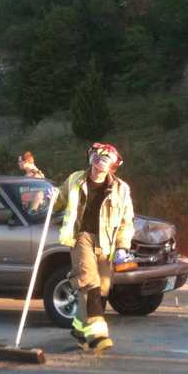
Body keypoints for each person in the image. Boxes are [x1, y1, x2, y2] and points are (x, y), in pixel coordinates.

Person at [54, 142, 135, 352]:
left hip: (106, 243)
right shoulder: (74, 180)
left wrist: (122, 248)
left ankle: (80, 329)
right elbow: (58, 201)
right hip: (80, 238)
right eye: (96, 161)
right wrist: (45, 200)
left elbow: (127, 222)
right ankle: (98, 335)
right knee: (90, 282)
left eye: (105, 163)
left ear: (113, 166)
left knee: (103, 288)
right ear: (91, 160)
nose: (99, 167)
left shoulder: (122, 189)